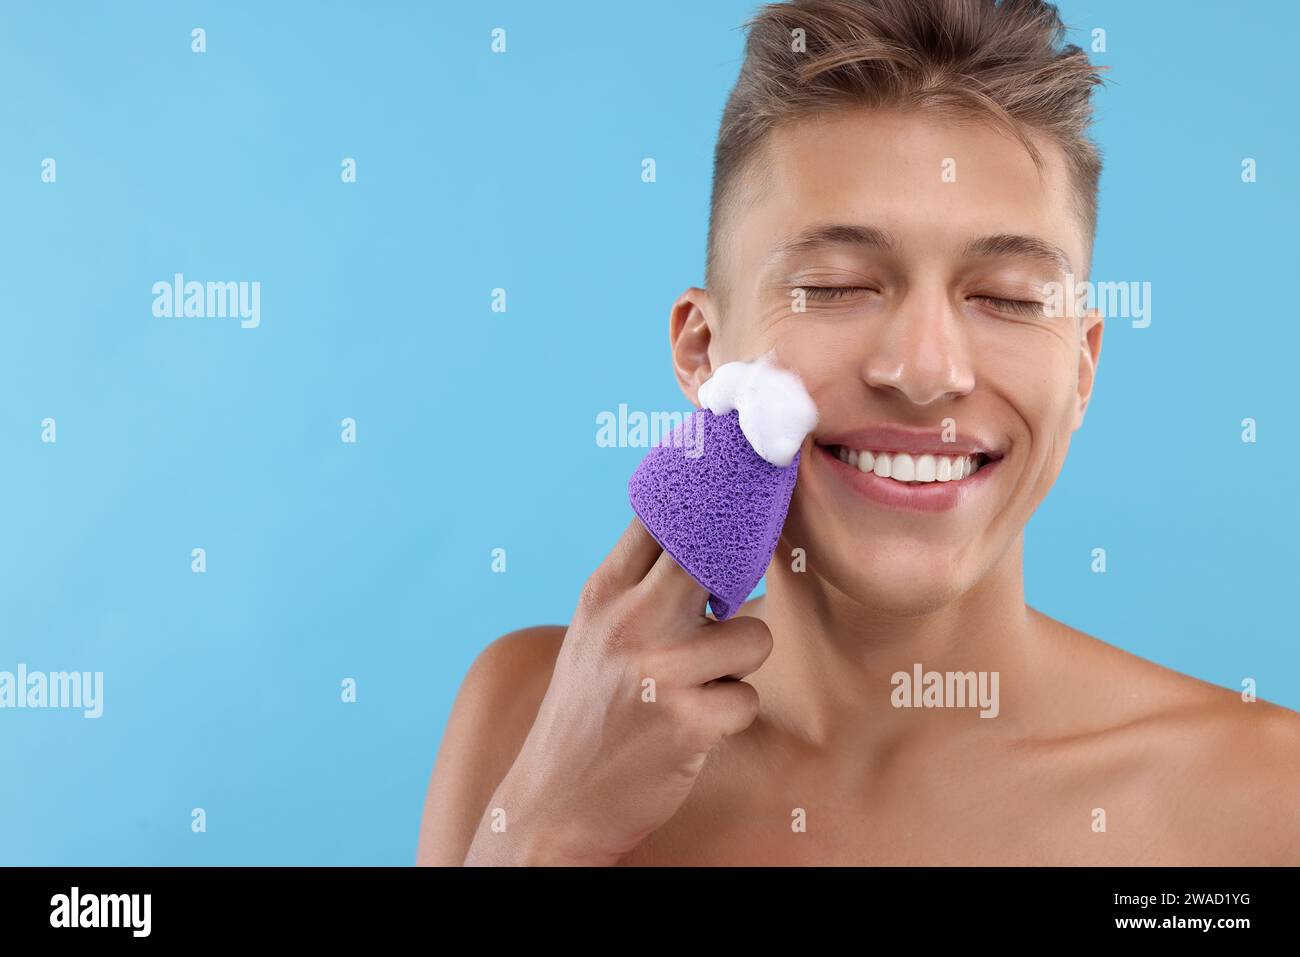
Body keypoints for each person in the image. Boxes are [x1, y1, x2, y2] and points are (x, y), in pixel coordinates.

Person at [417, 0, 1300, 866]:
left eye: (1008, 297)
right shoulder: (528, 719)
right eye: (835, 285)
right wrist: (544, 832)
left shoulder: (1268, 800)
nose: (924, 369)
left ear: (1081, 368)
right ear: (701, 348)